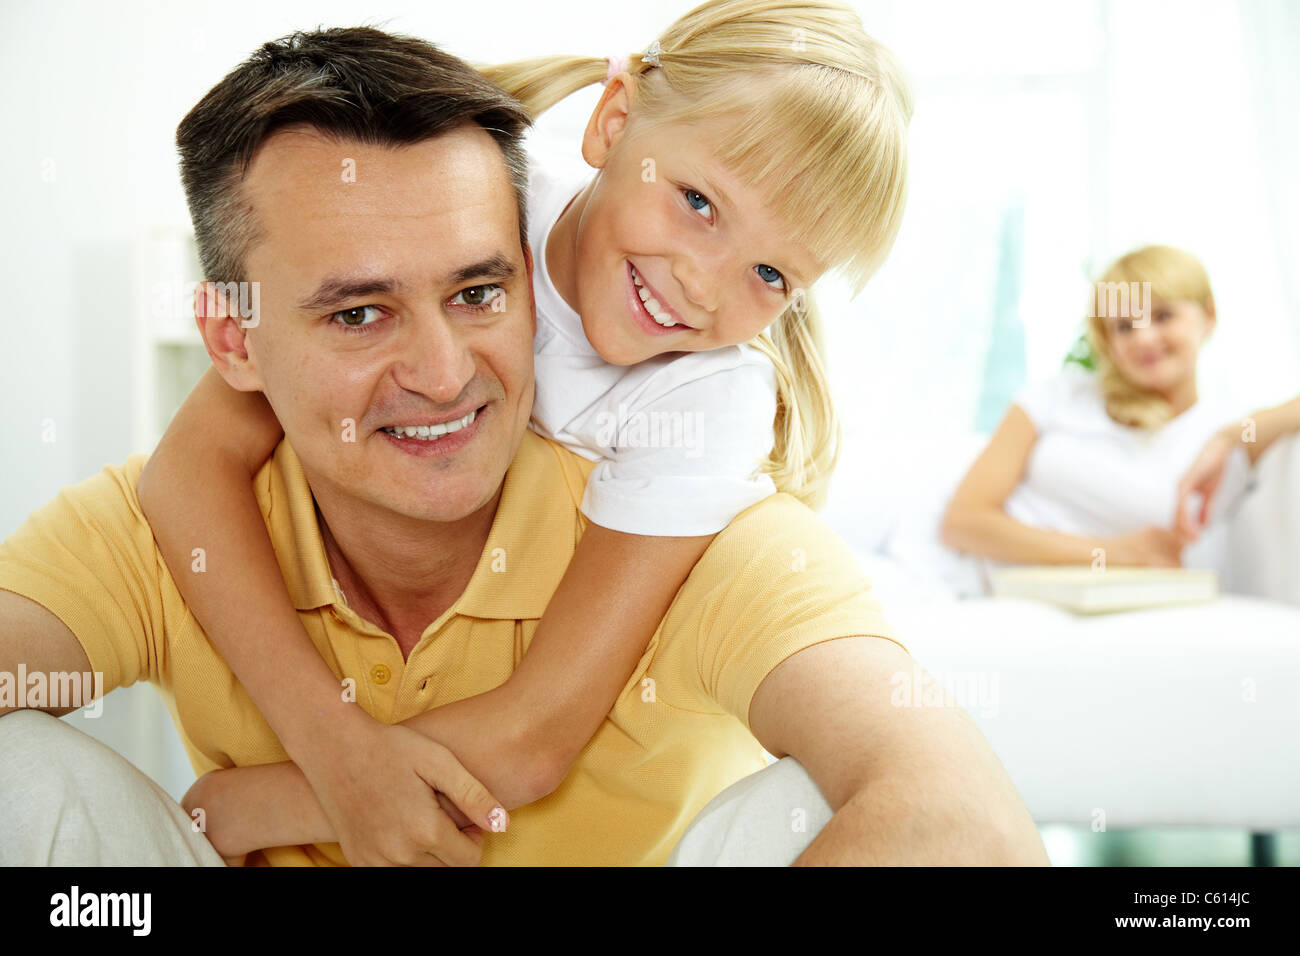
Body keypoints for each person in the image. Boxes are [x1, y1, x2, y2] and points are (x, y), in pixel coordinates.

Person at [0, 25, 1047, 867]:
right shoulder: (512, 192)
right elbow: (187, 468)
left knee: (804, 802)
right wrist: (337, 751)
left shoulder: (709, 454)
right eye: (360, 312)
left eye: (479, 292)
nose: (444, 372)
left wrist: (292, 792)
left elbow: (968, 827)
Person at [941, 244, 1248, 574]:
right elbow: (962, 521)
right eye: (1124, 326)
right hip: (968, 578)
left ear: (1209, 314)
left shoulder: (1227, 433)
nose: (1143, 338)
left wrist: (1229, 437)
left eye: (1162, 316)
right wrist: (1110, 553)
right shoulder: (1058, 395)